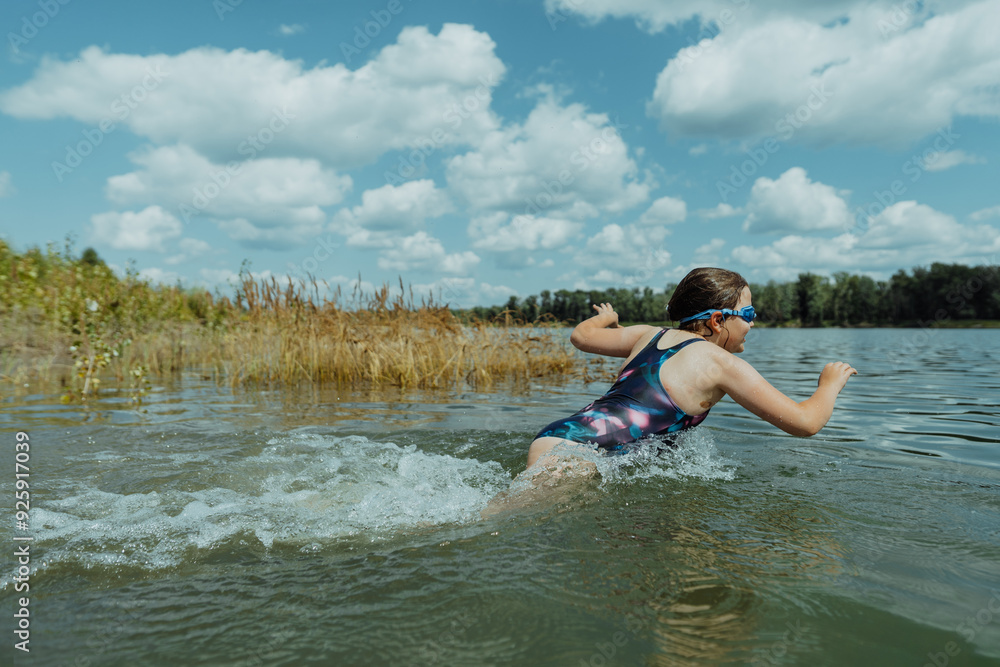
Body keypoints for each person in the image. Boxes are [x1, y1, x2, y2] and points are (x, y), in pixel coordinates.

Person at [526, 267, 858, 469]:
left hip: (558, 437)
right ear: (717, 320)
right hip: (581, 456)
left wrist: (608, 319)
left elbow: (582, 336)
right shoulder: (723, 364)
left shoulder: (647, 334)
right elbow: (805, 423)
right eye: (749, 315)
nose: (753, 325)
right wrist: (829, 384)